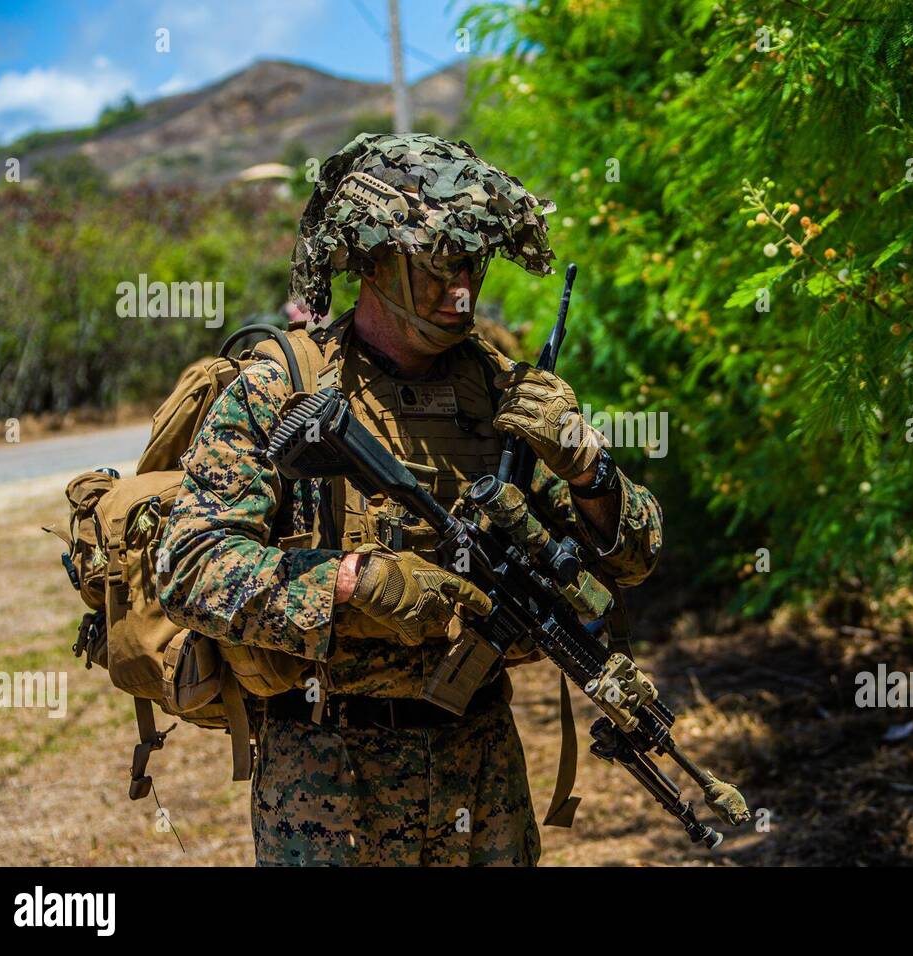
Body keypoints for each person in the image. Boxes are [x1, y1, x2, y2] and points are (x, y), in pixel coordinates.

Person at [158, 133, 663, 866]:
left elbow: (637, 559)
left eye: (475, 262)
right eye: (442, 262)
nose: (465, 286)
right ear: (373, 260)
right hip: (327, 781)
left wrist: (588, 468)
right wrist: (351, 583)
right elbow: (190, 566)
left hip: (479, 765)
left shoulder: (504, 394)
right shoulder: (282, 389)